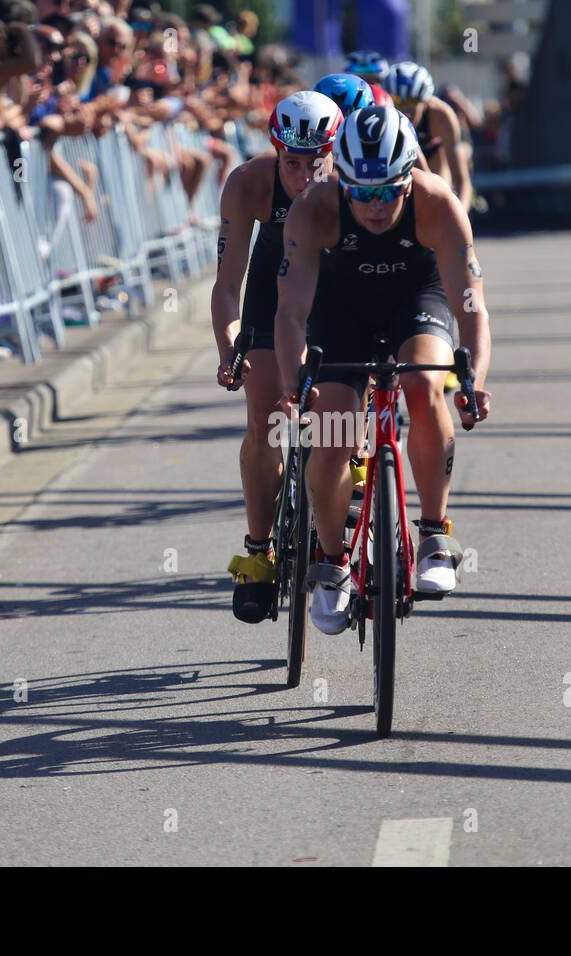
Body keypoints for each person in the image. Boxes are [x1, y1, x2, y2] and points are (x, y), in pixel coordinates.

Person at [272, 105, 492, 634]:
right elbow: (291, 312)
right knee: (334, 429)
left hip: (415, 298)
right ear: (342, 180)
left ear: (408, 179)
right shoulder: (313, 209)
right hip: (339, 309)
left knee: (423, 382)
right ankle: (332, 563)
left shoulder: (437, 202)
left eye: (388, 191)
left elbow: (471, 306)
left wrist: (475, 380)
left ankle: (435, 532)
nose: (375, 206)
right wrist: (290, 387)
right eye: (362, 192)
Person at [214, 90, 342, 621]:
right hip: (271, 294)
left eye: (317, 162)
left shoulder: (354, 185)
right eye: (293, 163)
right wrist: (229, 349)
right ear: (275, 152)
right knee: (266, 420)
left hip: (336, 291)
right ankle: (260, 552)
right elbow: (227, 285)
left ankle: (346, 480)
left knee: (337, 419)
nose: (305, 175)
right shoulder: (248, 183)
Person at [388, 61, 472, 212]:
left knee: (438, 193)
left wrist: (460, 215)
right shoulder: (384, 111)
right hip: (400, 157)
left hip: (432, 155)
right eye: (399, 101)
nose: (405, 110)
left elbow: (460, 177)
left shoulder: (442, 116)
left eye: (412, 102)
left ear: (424, 100)